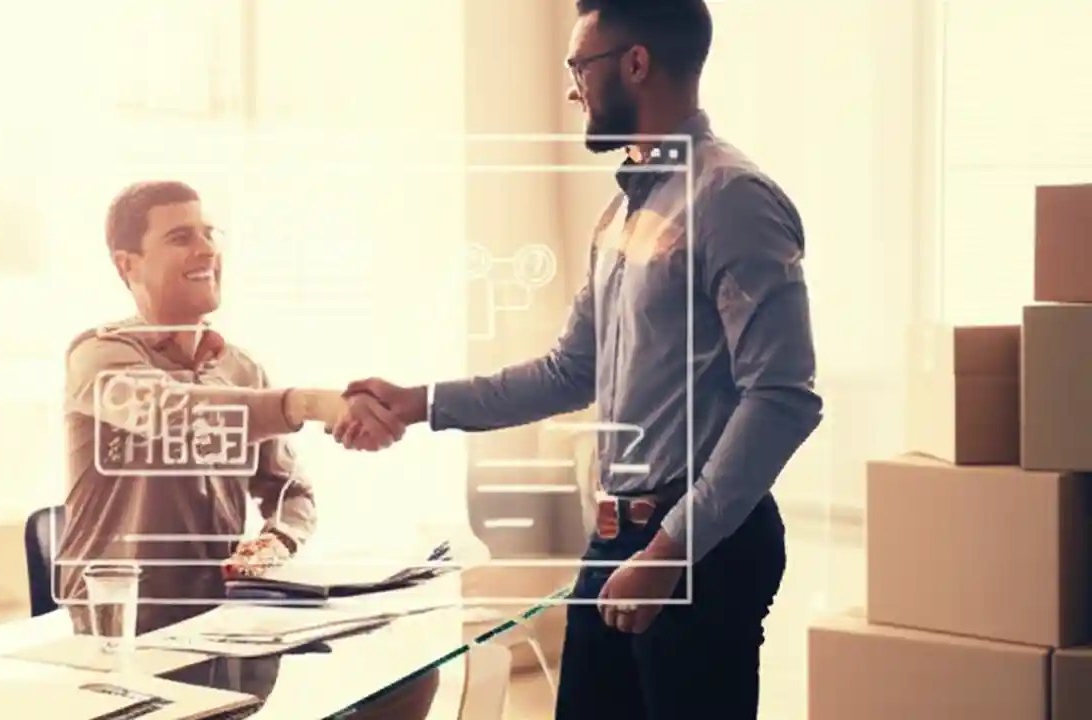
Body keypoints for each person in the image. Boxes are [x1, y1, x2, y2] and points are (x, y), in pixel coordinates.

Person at [334, 1, 822, 718]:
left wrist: (669, 553)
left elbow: (782, 396)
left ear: (635, 63)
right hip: (617, 535)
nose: (572, 88)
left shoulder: (731, 199)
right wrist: (420, 402)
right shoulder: (623, 213)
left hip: (697, 545)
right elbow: (571, 370)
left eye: (578, 67)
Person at [55, 180, 439, 718]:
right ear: (128, 265)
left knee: (408, 675)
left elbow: (289, 488)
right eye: (181, 236)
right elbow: (178, 415)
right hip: (130, 633)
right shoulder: (97, 357)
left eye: (210, 233)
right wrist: (305, 403)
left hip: (225, 618)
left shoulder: (241, 367)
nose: (207, 249)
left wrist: (277, 537)